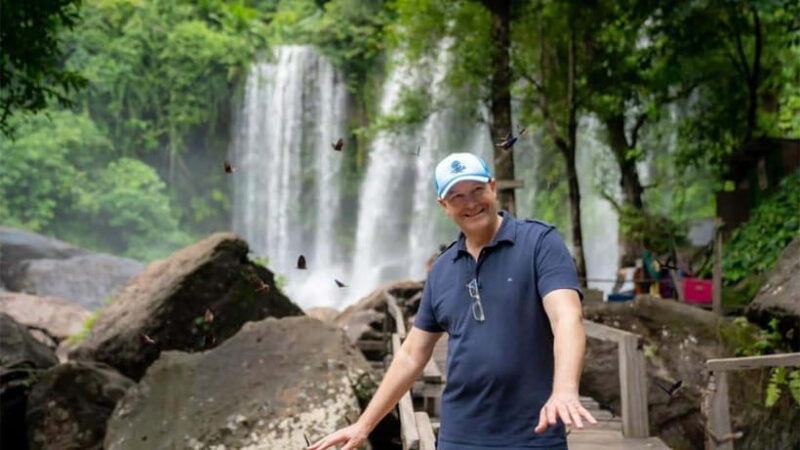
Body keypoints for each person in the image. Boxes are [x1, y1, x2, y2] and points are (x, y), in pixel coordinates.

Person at [308, 153, 596, 450]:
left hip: (534, 432)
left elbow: (566, 317)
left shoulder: (540, 242)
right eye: (457, 196)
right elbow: (412, 354)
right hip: (458, 436)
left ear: (493, 187)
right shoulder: (442, 269)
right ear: (443, 205)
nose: (470, 203)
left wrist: (565, 390)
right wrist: (364, 424)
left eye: (477, 190)